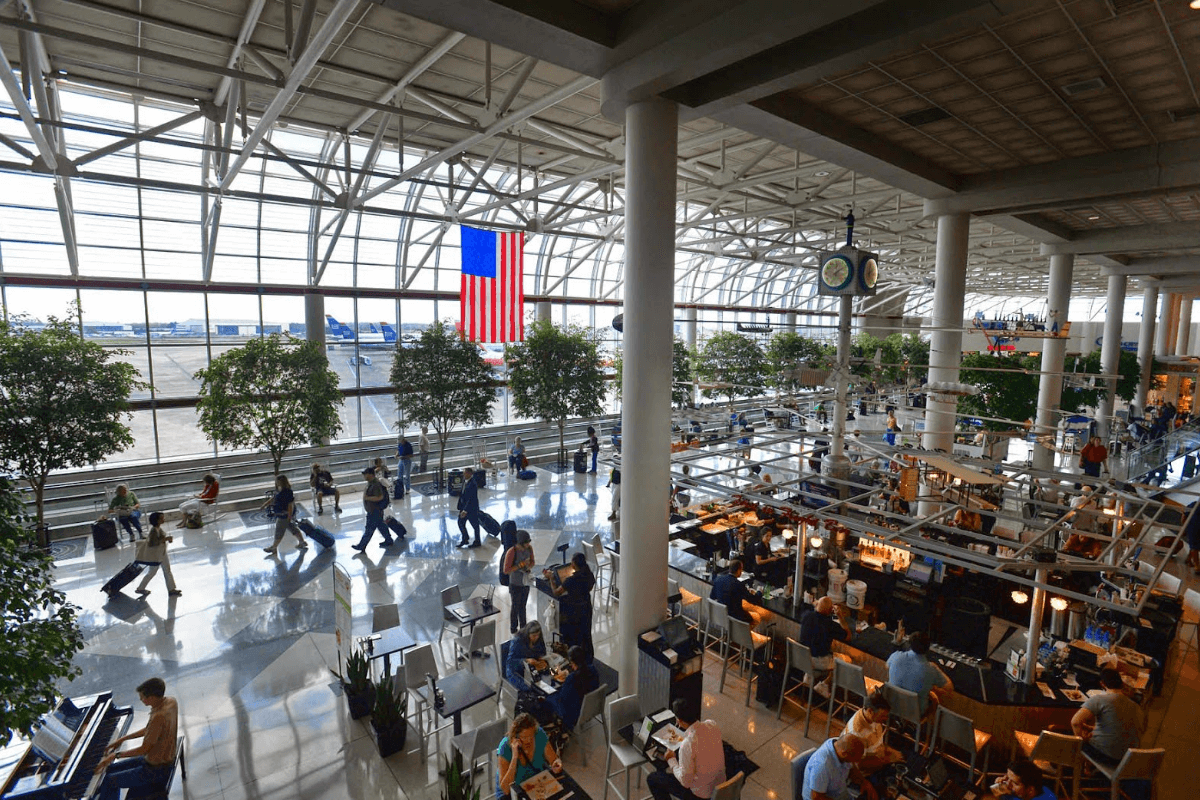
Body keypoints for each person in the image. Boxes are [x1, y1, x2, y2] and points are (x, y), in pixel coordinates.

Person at [96, 677, 178, 800]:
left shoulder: (158, 716)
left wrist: (115, 755)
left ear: (152, 697)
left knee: (108, 781)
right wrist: (122, 739)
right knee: (109, 769)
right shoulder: (171, 702)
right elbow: (149, 729)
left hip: (156, 770)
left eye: (143, 697)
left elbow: (144, 749)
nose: (141, 699)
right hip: (157, 760)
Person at [647, 698, 726, 800]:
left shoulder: (687, 745)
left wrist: (671, 760)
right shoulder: (712, 724)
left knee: (653, 779)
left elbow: (685, 783)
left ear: (678, 721)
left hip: (700, 795)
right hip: (721, 787)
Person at [1071, 667, 1144, 766]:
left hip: (1104, 756)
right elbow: (1123, 728)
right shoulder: (1137, 707)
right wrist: (1093, 728)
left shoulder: (1099, 699)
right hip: (1126, 760)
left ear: (1102, 684)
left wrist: (1082, 739)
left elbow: (1075, 722)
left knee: (1071, 737)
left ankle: (1062, 768)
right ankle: (1088, 769)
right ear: (1122, 684)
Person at [885, 632, 953, 719]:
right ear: (928, 648)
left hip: (891, 704)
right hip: (915, 714)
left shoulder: (896, 656)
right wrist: (936, 668)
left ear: (909, 643)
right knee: (934, 699)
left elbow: (886, 666)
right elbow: (949, 687)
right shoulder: (931, 669)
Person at [497, 712, 561, 799]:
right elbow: (506, 789)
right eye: (524, 737)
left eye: (531, 736)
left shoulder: (539, 734)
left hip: (534, 783)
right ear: (516, 735)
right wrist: (515, 756)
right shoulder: (505, 746)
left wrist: (557, 763)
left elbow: (553, 760)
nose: (528, 741)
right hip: (514, 790)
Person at [799, 596, 852, 696]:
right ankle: (824, 684)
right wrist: (840, 616)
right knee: (846, 660)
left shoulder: (806, 615)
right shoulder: (830, 625)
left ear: (817, 604)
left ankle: (809, 675)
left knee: (816, 644)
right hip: (819, 662)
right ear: (830, 611)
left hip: (803, 658)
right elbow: (848, 636)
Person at [803, 733, 877, 800]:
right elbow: (817, 798)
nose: (857, 761)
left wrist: (864, 782)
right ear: (844, 754)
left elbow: (851, 768)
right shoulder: (822, 766)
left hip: (840, 794)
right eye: (856, 759)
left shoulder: (839, 745)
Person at [845, 690, 900, 775]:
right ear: (870, 711)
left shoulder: (869, 716)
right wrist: (888, 760)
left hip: (878, 757)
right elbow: (860, 765)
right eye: (882, 715)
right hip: (864, 773)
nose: (885, 719)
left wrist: (888, 750)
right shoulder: (857, 734)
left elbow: (875, 741)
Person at [555, 552, 596, 662]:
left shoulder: (571, 580)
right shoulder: (589, 574)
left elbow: (557, 592)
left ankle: (576, 659)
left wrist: (550, 579)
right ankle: (588, 658)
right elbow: (590, 587)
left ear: (573, 564)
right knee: (586, 634)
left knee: (575, 636)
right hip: (587, 608)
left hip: (574, 612)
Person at [550, 645, 599, 731]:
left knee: (548, 697)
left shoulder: (572, 679)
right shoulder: (593, 670)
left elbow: (562, 698)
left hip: (574, 714)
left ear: (573, 662)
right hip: (591, 708)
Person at [709, 558, 767, 629]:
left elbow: (712, 597)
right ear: (739, 570)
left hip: (720, 615)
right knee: (757, 617)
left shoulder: (718, 579)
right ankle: (741, 638)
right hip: (735, 617)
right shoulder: (739, 585)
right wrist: (759, 592)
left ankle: (731, 635)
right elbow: (753, 600)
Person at [133, 512, 181, 597]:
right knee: (153, 572)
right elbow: (153, 543)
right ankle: (141, 588)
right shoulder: (154, 530)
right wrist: (166, 539)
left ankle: (171, 589)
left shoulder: (158, 529)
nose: (163, 519)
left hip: (161, 553)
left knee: (166, 570)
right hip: (156, 555)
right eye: (161, 518)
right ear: (157, 520)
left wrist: (166, 539)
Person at [260, 475, 307, 554]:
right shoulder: (279, 489)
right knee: (292, 528)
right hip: (280, 513)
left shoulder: (287, 492)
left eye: (278, 481)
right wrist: (265, 504)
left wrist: (289, 515)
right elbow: (274, 497)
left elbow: (290, 505)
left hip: (284, 514)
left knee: (279, 531)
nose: (276, 482)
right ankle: (302, 542)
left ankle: (273, 547)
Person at [352, 466, 394, 551]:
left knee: (369, 530)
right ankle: (389, 540)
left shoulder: (375, 484)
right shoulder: (371, 482)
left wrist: (367, 498)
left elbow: (380, 497)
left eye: (365, 474)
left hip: (375, 511)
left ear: (371, 475)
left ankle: (361, 546)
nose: (364, 476)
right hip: (374, 510)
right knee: (381, 525)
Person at [504, 529, 535, 634]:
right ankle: (513, 628)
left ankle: (523, 627)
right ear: (520, 543)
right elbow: (506, 570)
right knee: (515, 606)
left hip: (525, 582)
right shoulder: (512, 552)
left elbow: (532, 562)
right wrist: (520, 565)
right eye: (526, 543)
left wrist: (528, 567)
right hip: (515, 583)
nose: (528, 545)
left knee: (523, 606)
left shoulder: (529, 549)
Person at [505, 621, 548, 692]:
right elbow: (510, 663)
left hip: (532, 667)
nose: (536, 638)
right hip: (516, 671)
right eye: (534, 636)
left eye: (538, 635)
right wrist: (525, 661)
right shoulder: (517, 640)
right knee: (530, 688)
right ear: (528, 634)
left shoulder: (538, 637)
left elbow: (543, 651)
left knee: (546, 682)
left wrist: (540, 657)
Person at [990, 759, 1057, 800]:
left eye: (1015, 783)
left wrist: (998, 790)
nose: (1007, 784)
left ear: (1030, 789)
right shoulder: (1029, 791)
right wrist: (998, 788)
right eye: (1007, 778)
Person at [456, 466, 482, 548]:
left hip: (471, 509)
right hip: (463, 507)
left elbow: (471, 498)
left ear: (469, 474)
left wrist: (465, 510)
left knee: (475, 525)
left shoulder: (473, 483)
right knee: (460, 522)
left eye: (465, 473)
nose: (463, 474)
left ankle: (477, 541)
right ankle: (465, 538)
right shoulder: (465, 481)